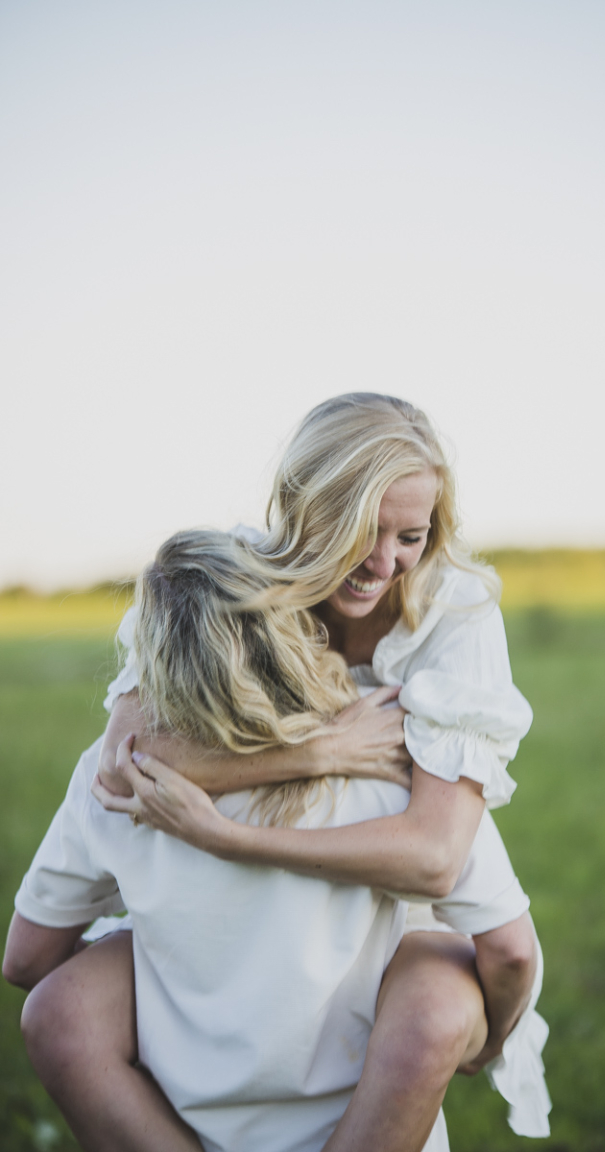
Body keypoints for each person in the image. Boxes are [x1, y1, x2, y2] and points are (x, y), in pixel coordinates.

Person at [7, 394, 551, 1148]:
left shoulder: (453, 615)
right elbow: (123, 766)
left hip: (381, 884)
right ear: (299, 510)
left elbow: (431, 857)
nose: (384, 563)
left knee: (424, 990)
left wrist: (226, 836)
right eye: (360, 528)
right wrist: (320, 752)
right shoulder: (228, 581)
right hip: (327, 858)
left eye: (412, 537)